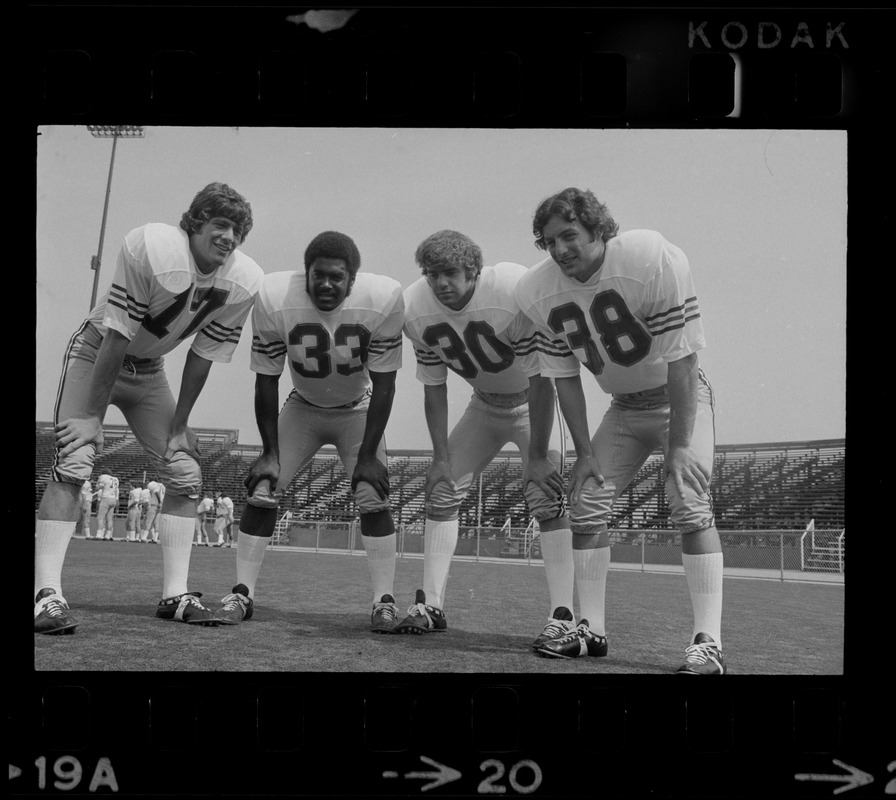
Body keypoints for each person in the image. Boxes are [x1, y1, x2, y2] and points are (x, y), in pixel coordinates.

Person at [34, 181, 263, 635]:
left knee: (185, 471)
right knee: (75, 459)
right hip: (97, 351)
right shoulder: (154, 247)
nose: (229, 237)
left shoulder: (242, 280)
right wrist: (92, 416)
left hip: (150, 370)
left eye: (238, 231)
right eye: (221, 225)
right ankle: (46, 595)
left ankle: (175, 594)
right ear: (196, 222)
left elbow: (202, 355)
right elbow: (117, 334)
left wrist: (180, 426)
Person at [516, 187, 725, 674]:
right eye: (549, 242)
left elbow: (684, 358)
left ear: (599, 229)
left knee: (688, 499)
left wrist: (678, 448)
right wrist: (585, 452)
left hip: (680, 401)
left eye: (570, 235)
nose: (561, 249)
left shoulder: (648, 257)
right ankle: (591, 630)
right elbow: (563, 377)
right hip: (623, 407)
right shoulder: (538, 289)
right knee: (586, 502)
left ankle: (708, 640)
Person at [212, 231, 403, 631]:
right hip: (303, 407)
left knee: (372, 493)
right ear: (307, 273)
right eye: (319, 276)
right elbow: (267, 379)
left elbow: (385, 383)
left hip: (357, 410)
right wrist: (268, 451)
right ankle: (242, 592)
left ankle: (383, 600)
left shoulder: (383, 299)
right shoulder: (275, 296)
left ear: (353, 279)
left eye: (337, 277)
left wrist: (368, 455)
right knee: (263, 485)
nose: (327, 285)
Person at [398, 230, 574, 646]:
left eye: (451, 272)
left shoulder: (508, 291)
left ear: (474, 270)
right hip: (483, 406)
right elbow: (434, 387)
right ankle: (431, 604)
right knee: (441, 490)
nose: (441, 283)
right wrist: (440, 457)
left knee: (546, 495)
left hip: (531, 403)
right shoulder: (418, 309)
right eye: (432, 274)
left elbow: (540, 378)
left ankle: (562, 613)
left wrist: (536, 455)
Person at [94, 473, 119, 541]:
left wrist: (97, 483)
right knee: (109, 519)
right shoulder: (115, 479)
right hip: (113, 499)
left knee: (100, 517)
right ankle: (108, 535)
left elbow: (98, 487)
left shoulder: (103, 477)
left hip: (106, 498)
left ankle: (99, 535)